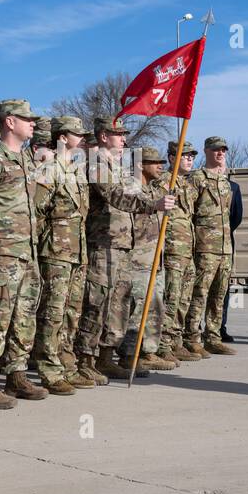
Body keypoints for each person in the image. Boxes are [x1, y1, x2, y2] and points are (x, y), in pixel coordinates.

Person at [74, 118, 175, 380]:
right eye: (118, 134)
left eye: (124, 134)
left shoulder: (116, 167)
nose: (123, 140)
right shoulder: (96, 165)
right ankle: (86, 359)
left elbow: (130, 196)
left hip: (121, 246)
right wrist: (153, 205)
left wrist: (152, 202)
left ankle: (106, 356)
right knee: (97, 304)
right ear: (104, 136)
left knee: (116, 306)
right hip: (102, 244)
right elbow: (115, 196)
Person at [0, 99, 49, 403]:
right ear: (9, 122)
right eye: (26, 118)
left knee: (25, 316)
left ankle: (17, 373)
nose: (32, 123)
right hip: (3, 251)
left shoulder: (29, 160)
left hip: (27, 250)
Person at [31, 116, 94, 393]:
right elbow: (37, 210)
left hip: (77, 250)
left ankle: (66, 363)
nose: (81, 138)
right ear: (63, 137)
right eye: (76, 134)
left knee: (72, 312)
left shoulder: (76, 170)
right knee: (52, 312)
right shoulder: (48, 168)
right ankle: (48, 368)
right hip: (55, 251)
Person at [118, 146, 176, 377]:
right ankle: (129, 354)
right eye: (155, 162)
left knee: (155, 307)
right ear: (141, 164)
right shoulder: (130, 190)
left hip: (155, 257)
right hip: (138, 259)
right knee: (137, 308)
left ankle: (148, 351)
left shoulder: (153, 190)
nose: (161, 166)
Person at [184, 136, 236, 357]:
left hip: (225, 248)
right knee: (199, 293)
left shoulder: (225, 181)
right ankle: (191, 337)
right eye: (216, 149)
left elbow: (231, 215)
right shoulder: (197, 178)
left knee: (220, 294)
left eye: (223, 150)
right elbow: (187, 211)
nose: (220, 153)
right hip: (205, 247)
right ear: (206, 151)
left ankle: (213, 336)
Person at [159, 140, 199, 362]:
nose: (190, 159)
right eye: (185, 155)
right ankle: (163, 343)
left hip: (187, 250)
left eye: (192, 155)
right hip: (172, 250)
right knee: (171, 299)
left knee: (184, 299)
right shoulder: (164, 181)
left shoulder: (188, 185)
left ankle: (175, 340)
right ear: (172, 158)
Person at [219, 176, 243, 343]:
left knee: (223, 289)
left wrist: (222, 231)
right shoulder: (198, 181)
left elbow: (237, 216)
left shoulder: (234, 187)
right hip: (201, 244)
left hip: (226, 244)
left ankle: (220, 327)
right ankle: (194, 328)